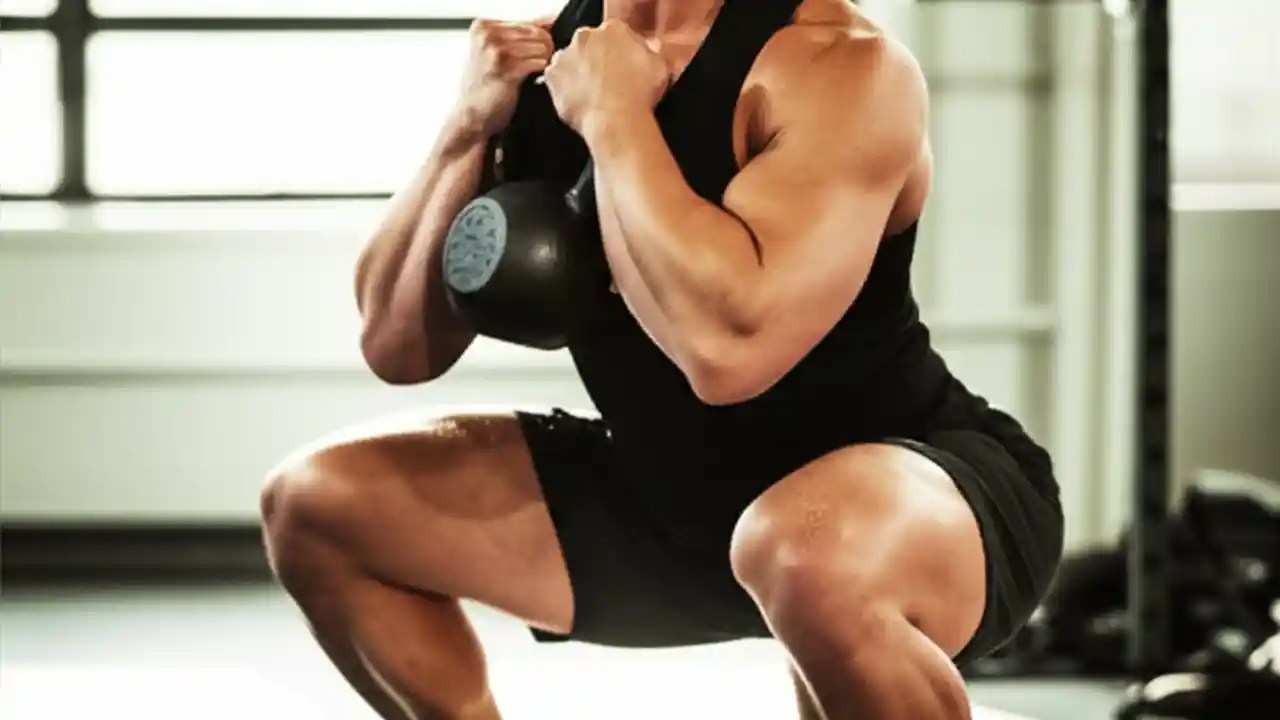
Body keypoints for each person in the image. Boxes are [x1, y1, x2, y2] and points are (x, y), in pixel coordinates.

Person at [260, 0, 1065, 718]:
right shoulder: (543, 67)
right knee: (319, 505)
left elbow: (728, 355)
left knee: (799, 550)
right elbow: (397, 344)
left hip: (910, 508)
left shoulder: (835, 63)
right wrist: (467, 127)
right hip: (667, 505)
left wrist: (616, 122)